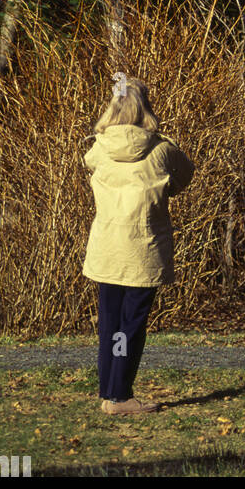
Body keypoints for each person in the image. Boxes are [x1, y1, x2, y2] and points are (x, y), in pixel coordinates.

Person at [82, 74, 194, 415]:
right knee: (130, 324)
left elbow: (89, 167)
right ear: (145, 107)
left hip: (107, 248)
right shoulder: (162, 150)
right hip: (143, 250)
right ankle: (119, 397)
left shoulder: (98, 148)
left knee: (110, 322)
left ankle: (109, 391)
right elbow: (185, 176)